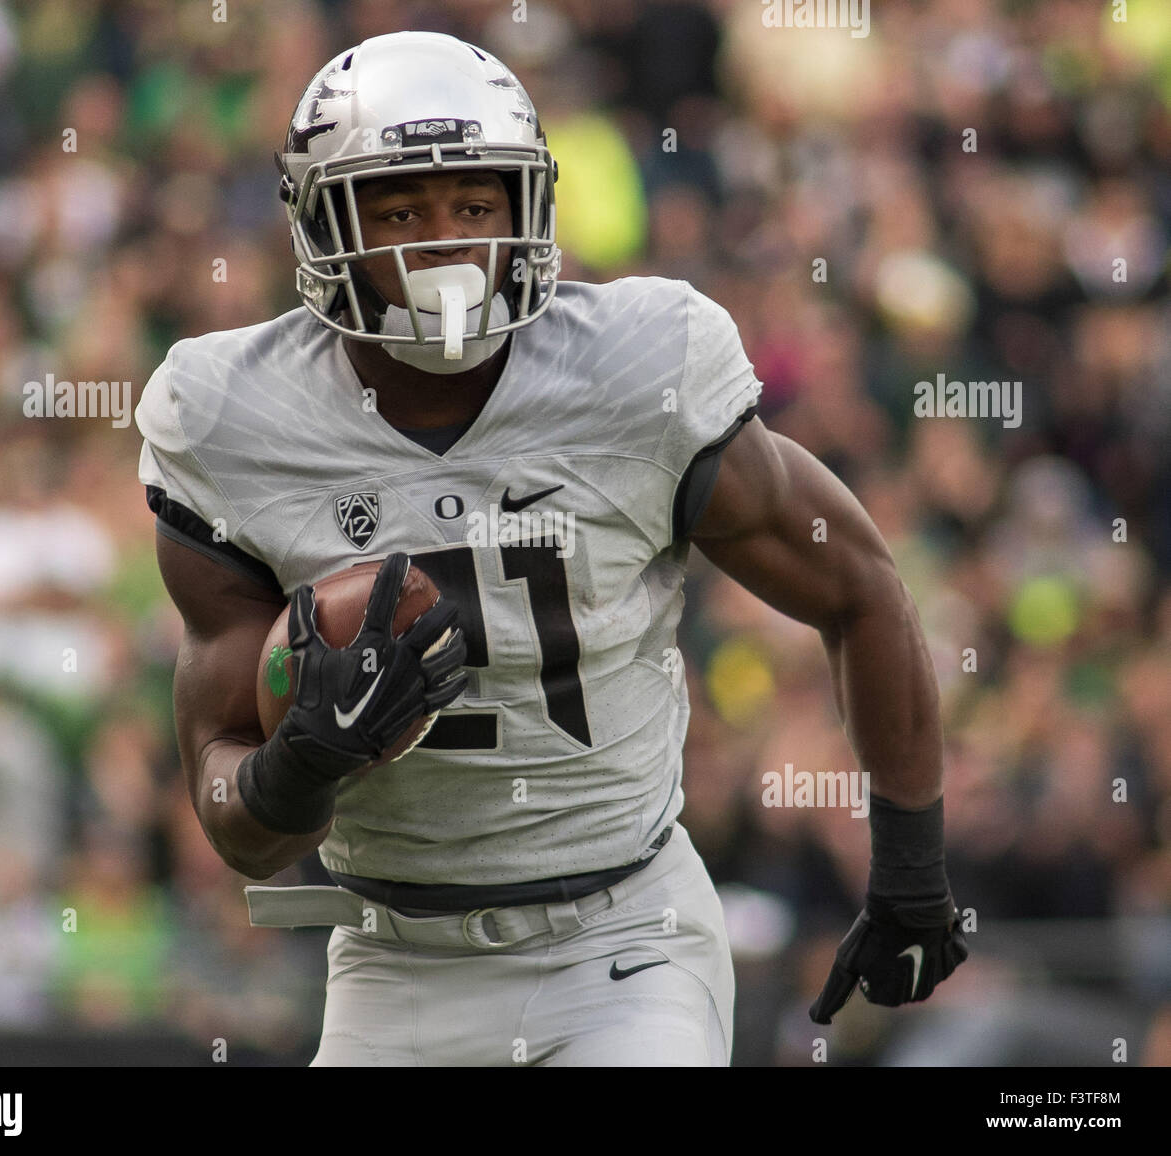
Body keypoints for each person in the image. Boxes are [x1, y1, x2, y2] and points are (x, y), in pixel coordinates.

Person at [134, 30, 966, 1066]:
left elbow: (859, 587)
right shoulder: (230, 414)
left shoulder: (637, 369)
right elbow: (233, 819)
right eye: (399, 210)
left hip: (623, 942)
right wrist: (299, 765)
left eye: (474, 207)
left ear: (527, 210)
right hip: (396, 959)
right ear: (321, 221)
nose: (445, 243)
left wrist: (910, 872)